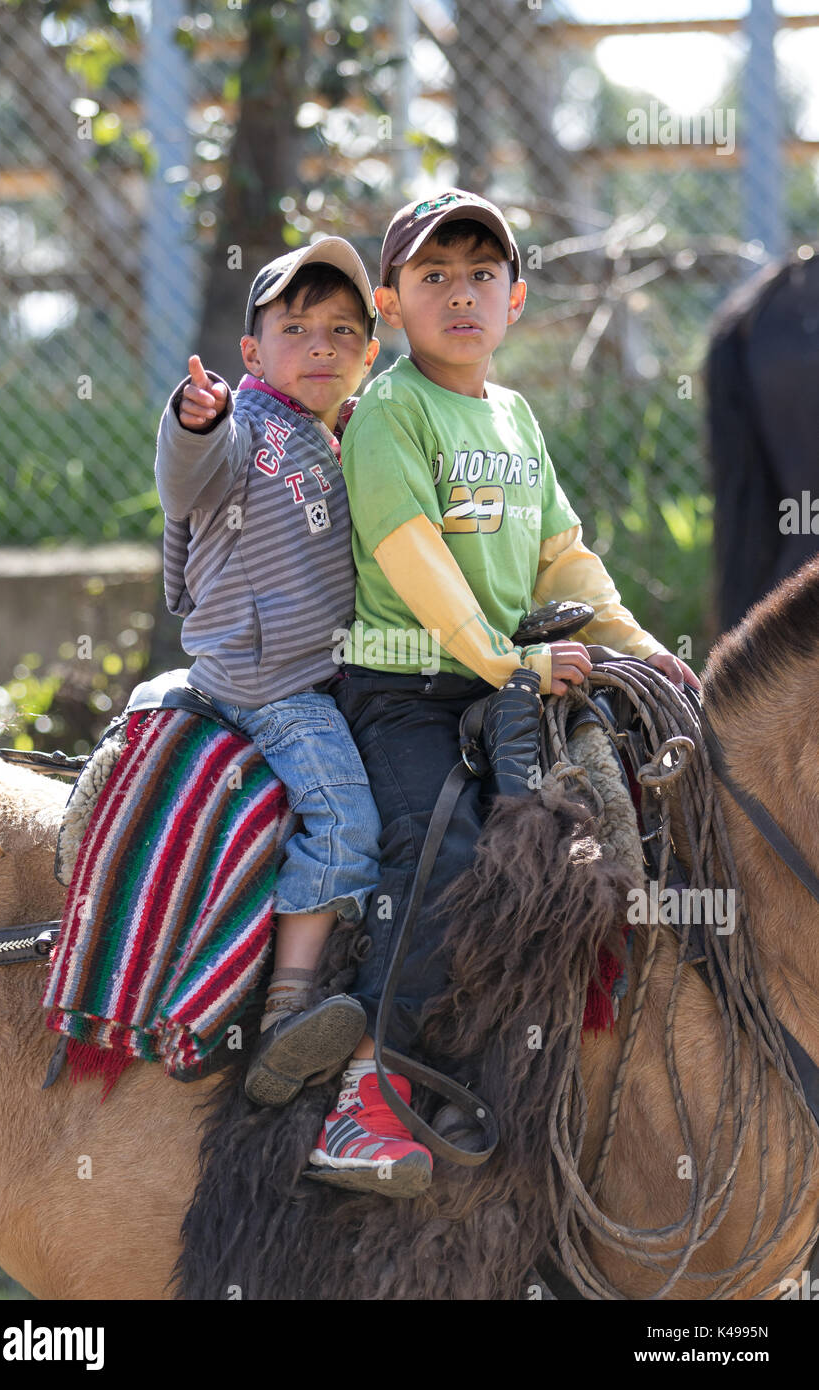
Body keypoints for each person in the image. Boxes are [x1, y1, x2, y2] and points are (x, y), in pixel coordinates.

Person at [298, 189, 701, 1197]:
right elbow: (413, 556)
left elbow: (560, 555)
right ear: (389, 303)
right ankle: (365, 1096)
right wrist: (509, 663)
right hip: (406, 686)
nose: (460, 294)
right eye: (432, 276)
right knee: (438, 857)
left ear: (515, 299)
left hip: (501, 682)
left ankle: (538, 1077)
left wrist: (642, 652)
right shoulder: (391, 411)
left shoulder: (512, 416)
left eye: (481, 274)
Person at [154, 238, 383, 1107]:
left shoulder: (337, 436)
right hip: (271, 686)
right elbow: (186, 475)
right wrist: (194, 417)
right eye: (296, 328)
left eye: (341, 331)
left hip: (307, 670)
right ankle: (290, 1000)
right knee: (347, 820)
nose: (320, 345)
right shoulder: (244, 425)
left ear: (368, 353)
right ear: (251, 354)